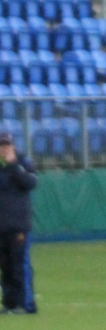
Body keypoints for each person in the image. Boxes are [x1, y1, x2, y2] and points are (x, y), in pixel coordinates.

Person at [0, 131, 35, 313]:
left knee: (19, 265)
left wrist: (13, 164)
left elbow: (30, 182)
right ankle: (10, 303)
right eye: (2, 145)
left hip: (18, 224)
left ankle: (25, 303)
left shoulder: (22, 161)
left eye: (7, 145)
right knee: (5, 266)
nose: (4, 149)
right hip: (1, 225)